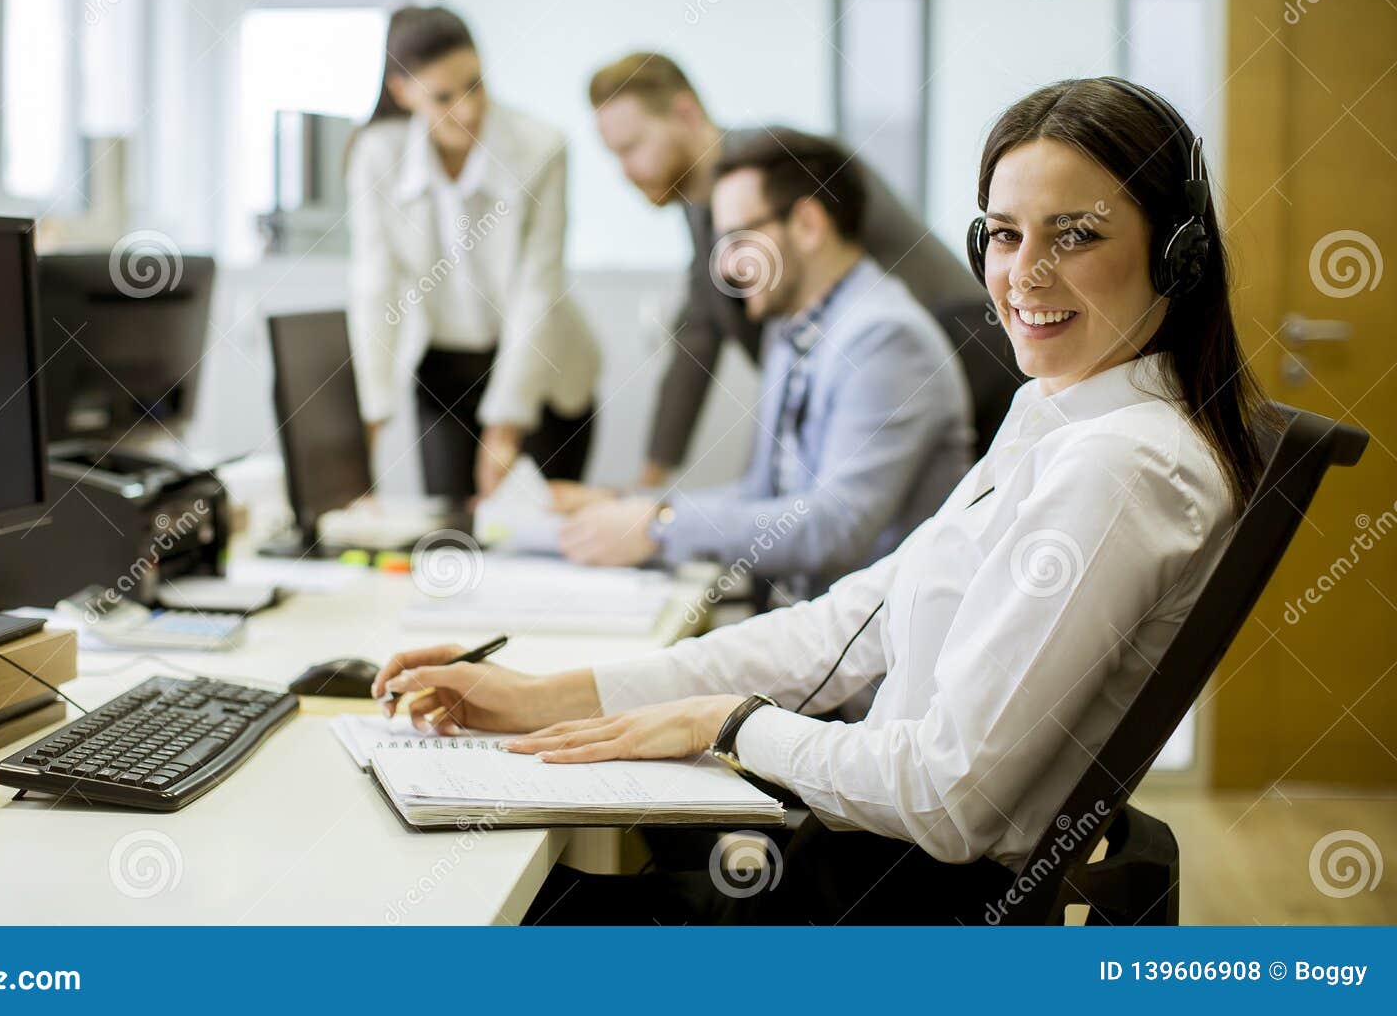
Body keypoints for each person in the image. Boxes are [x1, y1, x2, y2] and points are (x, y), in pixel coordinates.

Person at [372, 78, 1274, 924]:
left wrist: (727, 723)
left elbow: (949, 798)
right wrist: (546, 696)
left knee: (482, 919)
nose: (1024, 275)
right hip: (861, 864)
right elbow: (846, 622)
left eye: (1074, 234)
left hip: (896, 909)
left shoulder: (1121, 467)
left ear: (1175, 252)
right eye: (1004, 234)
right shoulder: (1055, 412)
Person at [556, 127, 972, 602]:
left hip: (870, 651)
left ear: (808, 224)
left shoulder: (887, 337)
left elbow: (836, 527)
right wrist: (638, 509)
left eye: (737, 240)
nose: (725, 268)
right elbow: (764, 495)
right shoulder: (791, 329)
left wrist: (660, 526)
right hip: (801, 624)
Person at [587, 52, 978, 488]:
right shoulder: (705, 210)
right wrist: (650, 484)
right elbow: (698, 333)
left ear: (685, 112)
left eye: (631, 147)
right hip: (894, 375)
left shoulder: (772, 169)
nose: (625, 171)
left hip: (961, 351)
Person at [346, 6, 599, 500]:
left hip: (544, 372)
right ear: (402, 91)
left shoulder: (542, 147)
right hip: (445, 371)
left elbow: (537, 287)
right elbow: (375, 288)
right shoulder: (376, 154)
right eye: (443, 96)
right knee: (452, 538)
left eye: (475, 86)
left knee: (535, 540)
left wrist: (506, 425)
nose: (466, 110)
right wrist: (371, 417)